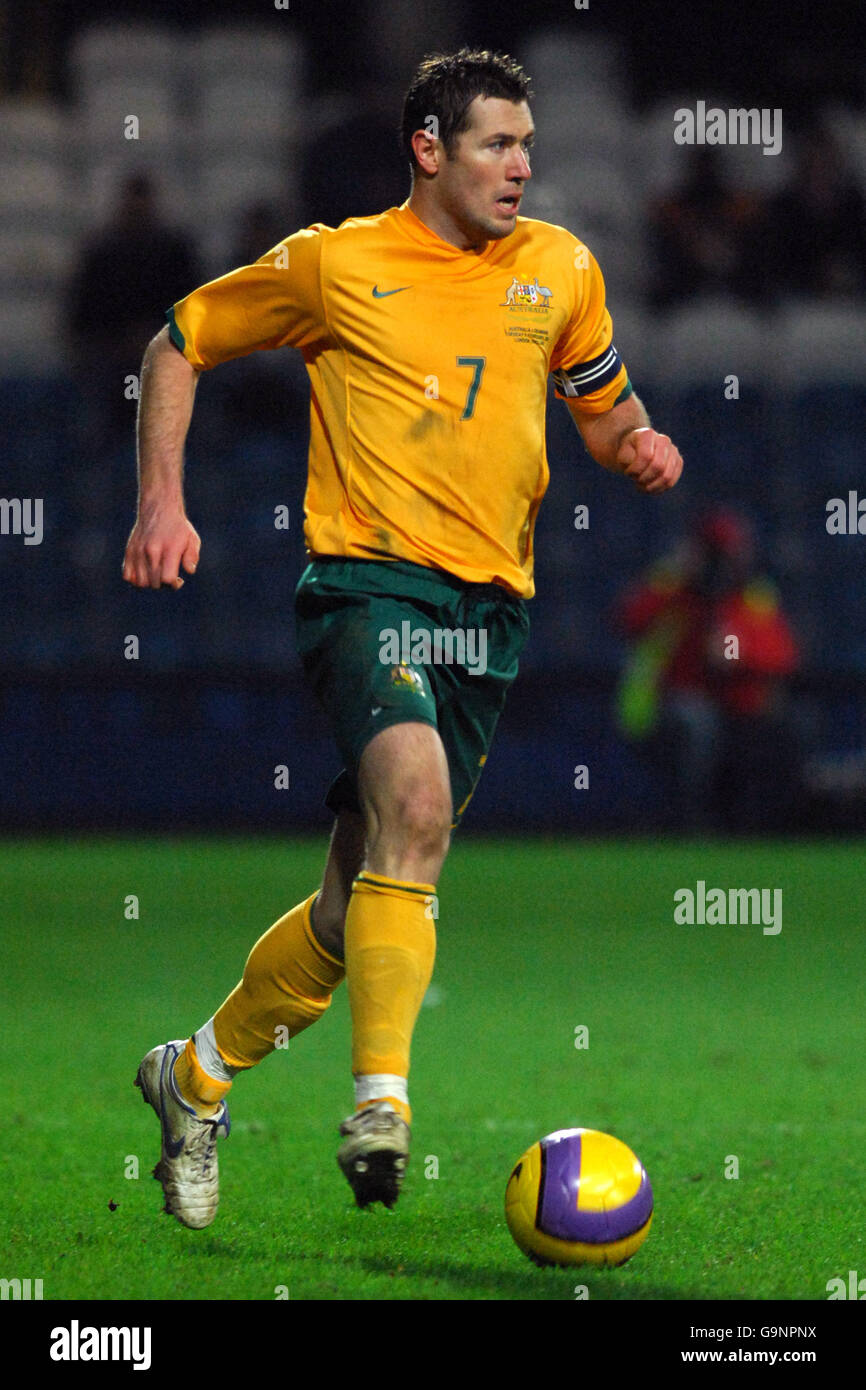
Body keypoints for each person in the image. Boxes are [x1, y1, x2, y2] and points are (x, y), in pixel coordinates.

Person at [122, 49, 683, 1229]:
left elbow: (601, 404)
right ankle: (382, 1104)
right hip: (366, 586)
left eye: (526, 143)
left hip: (491, 614)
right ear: (427, 149)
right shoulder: (337, 263)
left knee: (351, 908)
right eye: (494, 143)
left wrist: (634, 441)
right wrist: (161, 503)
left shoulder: (561, 269)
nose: (520, 166)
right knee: (414, 808)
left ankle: (193, 1076)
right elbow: (175, 344)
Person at [615, 509, 799, 831]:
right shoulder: (671, 590)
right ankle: (689, 824)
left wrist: (735, 651)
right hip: (672, 708)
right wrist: (674, 574)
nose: (718, 566)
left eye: (725, 555)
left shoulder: (750, 597)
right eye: (711, 554)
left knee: (781, 729)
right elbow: (628, 620)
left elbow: (780, 656)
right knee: (696, 723)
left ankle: (766, 825)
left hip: (737, 709)